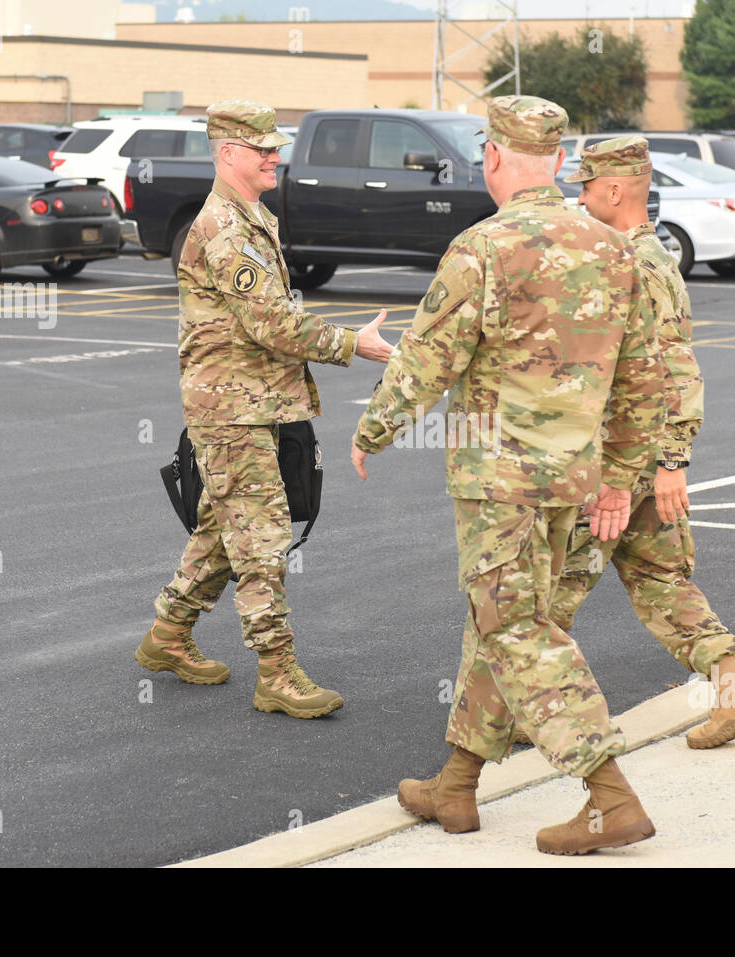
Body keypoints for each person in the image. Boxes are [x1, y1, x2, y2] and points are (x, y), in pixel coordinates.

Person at [351, 96, 667, 855]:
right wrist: (621, 475)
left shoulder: (481, 248)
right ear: (558, 161)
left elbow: (427, 357)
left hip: (498, 478)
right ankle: (455, 785)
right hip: (574, 478)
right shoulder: (616, 248)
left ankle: (608, 792)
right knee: (500, 623)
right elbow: (643, 379)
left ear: (492, 156)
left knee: (516, 627)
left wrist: (375, 429)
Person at [136, 99, 393, 719]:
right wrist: (350, 344)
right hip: (231, 409)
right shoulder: (225, 228)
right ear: (229, 153)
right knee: (262, 538)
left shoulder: (250, 215)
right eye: (263, 149)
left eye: (275, 147)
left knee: (225, 532)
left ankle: (167, 635)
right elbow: (272, 323)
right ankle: (276, 672)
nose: (276, 156)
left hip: (253, 402)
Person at [556, 135, 735, 748]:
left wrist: (671, 461)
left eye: (587, 185)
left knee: (548, 590)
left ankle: (541, 719)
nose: (580, 195)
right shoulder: (642, 255)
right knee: (658, 578)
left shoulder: (636, 263)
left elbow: (674, 368)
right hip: (638, 458)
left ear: (616, 189)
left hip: (618, 465)